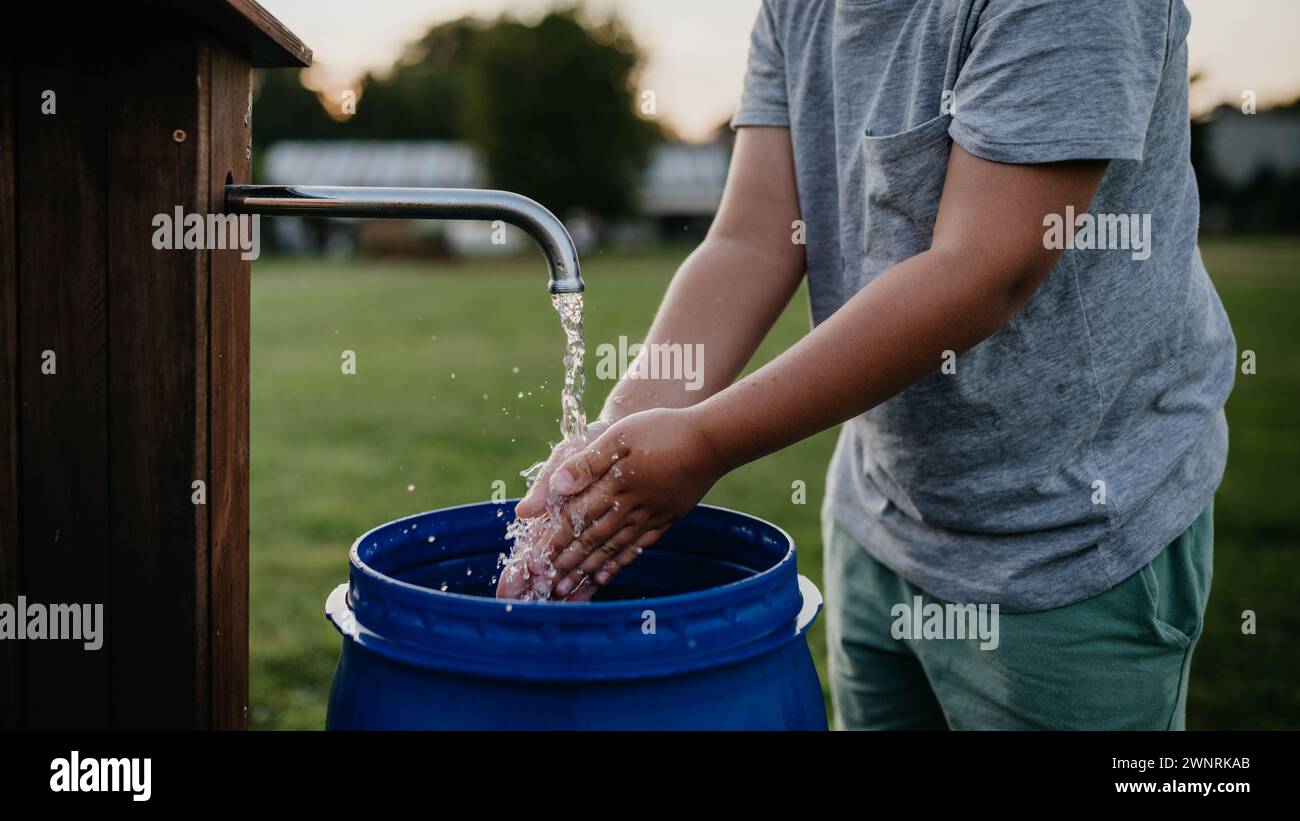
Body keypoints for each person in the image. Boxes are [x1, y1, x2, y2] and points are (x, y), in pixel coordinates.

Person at [505, 0, 1235, 730]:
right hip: (883, 511)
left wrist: (706, 440)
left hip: (1068, 540)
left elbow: (984, 271)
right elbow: (753, 238)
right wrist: (614, 441)